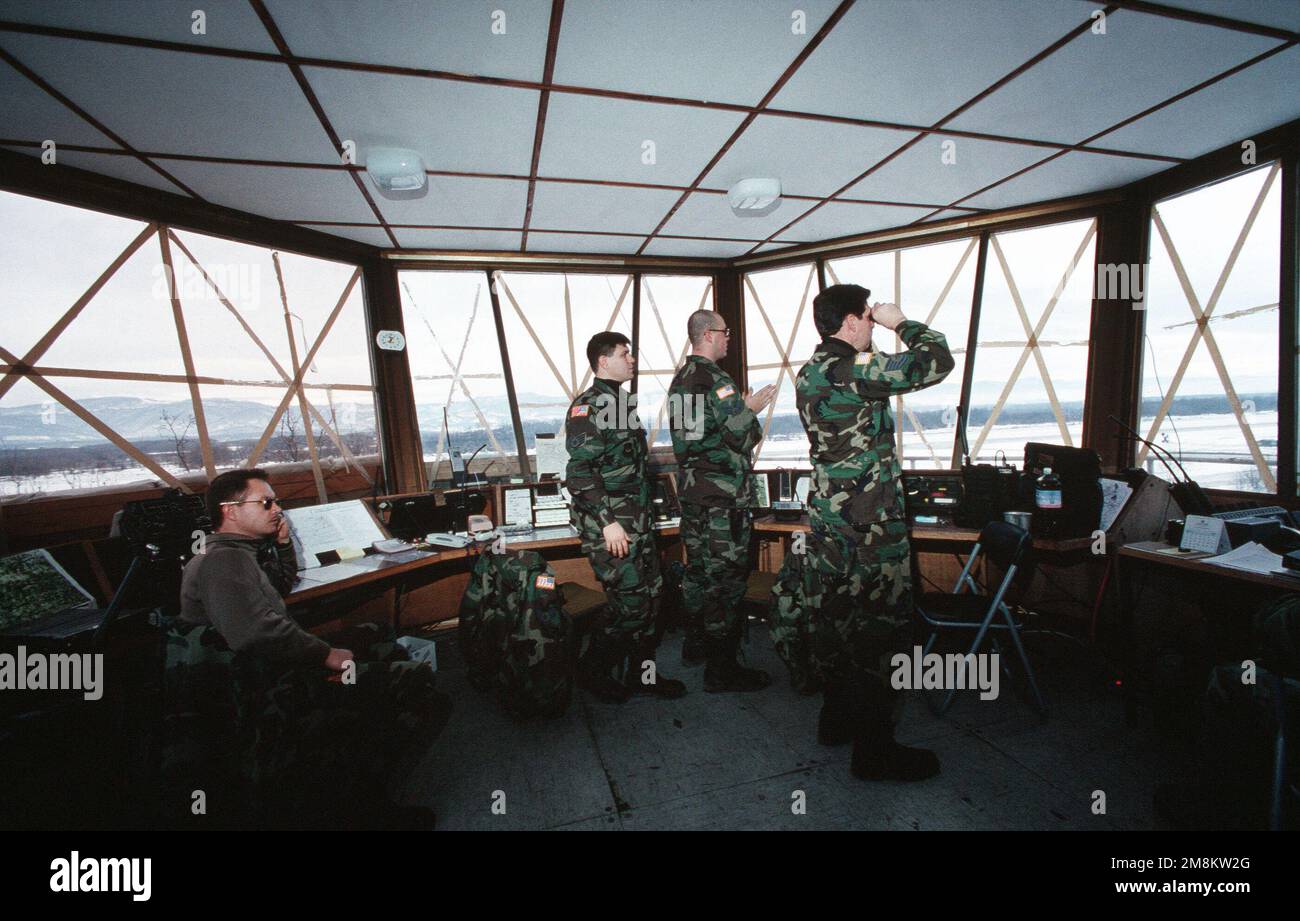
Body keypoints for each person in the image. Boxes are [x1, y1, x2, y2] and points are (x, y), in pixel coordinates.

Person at [171, 468, 450, 826]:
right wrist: (326, 655)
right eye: (266, 502)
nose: (277, 509)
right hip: (268, 690)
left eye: (277, 502)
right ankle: (362, 804)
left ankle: (354, 769)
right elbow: (255, 632)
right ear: (230, 510)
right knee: (420, 685)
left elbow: (278, 588)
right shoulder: (224, 562)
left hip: (263, 673)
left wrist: (284, 545)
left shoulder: (234, 553)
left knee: (376, 634)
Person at [770, 284, 953, 782]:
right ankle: (875, 751)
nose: (873, 324)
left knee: (836, 622)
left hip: (831, 522)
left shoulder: (811, 370)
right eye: (868, 317)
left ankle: (837, 720)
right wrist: (902, 322)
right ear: (850, 322)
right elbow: (936, 361)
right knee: (881, 632)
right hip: (870, 528)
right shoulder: (852, 369)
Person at [566, 331, 686, 703]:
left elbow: (627, 466)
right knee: (631, 607)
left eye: (630, 353)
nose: (632, 360)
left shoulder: (619, 401)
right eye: (624, 354)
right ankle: (592, 670)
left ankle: (643, 677)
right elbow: (580, 475)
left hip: (637, 522)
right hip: (613, 527)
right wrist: (608, 522)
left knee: (652, 603)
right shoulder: (588, 406)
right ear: (603, 361)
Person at [667, 309, 776, 691]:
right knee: (726, 583)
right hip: (723, 499)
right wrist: (751, 410)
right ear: (710, 334)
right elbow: (744, 437)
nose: (729, 338)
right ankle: (722, 669)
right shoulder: (717, 380)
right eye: (726, 331)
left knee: (698, 574)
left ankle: (695, 646)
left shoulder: (680, 381)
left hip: (694, 496)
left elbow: (689, 441)